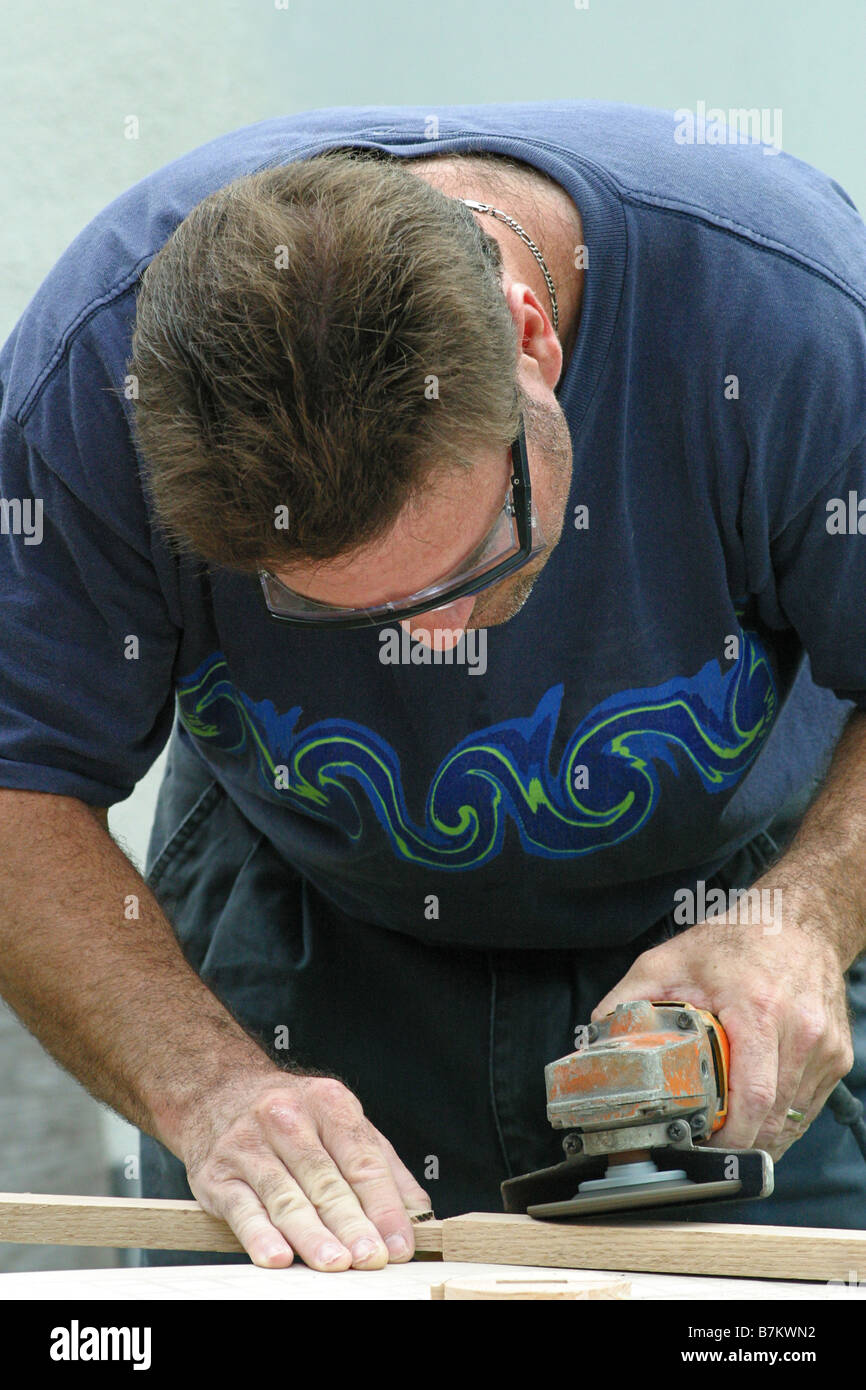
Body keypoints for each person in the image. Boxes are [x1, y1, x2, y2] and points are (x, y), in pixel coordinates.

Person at [1, 101, 865, 1273]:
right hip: (303, 912)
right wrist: (210, 1089)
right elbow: (18, 779)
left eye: (474, 560)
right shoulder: (95, 375)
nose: (437, 644)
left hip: (727, 923)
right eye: (334, 609)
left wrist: (807, 922)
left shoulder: (786, 315)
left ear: (531, 339)